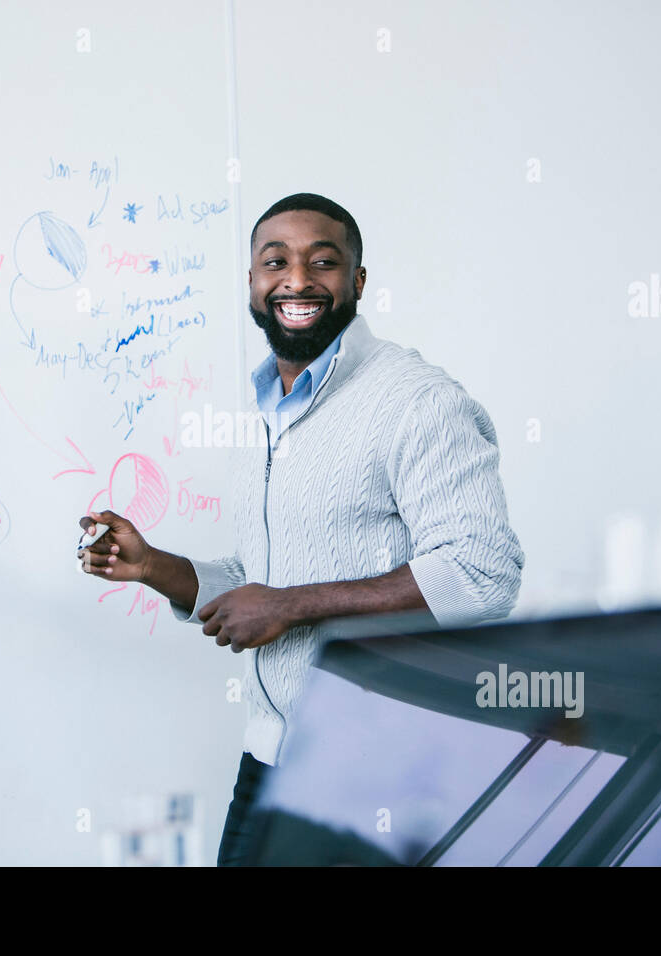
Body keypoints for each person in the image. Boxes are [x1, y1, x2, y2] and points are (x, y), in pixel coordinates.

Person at [79, 193, 524, 865]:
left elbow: (482, 574)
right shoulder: (265, 407)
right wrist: (151, 565)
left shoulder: (418, 401)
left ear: (358, 284)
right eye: (275, 262)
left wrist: (290, 606)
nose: (297, 279)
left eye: (323, 262)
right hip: (270, 761)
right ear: (254, 286)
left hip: (381, 775)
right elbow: (259, 584)